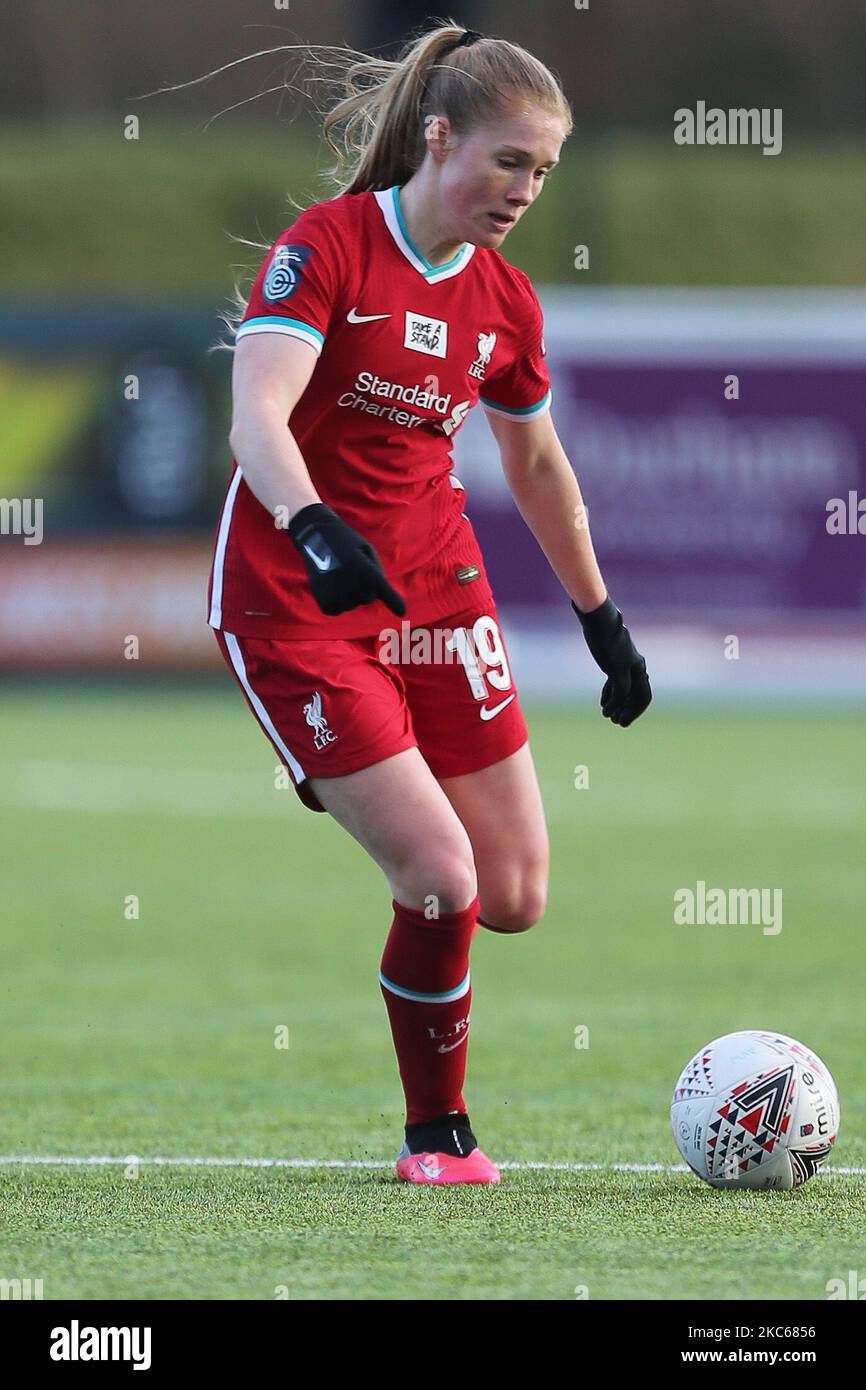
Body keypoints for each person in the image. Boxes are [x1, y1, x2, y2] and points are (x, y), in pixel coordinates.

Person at [207, 22, 651, 1185]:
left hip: (437, 600)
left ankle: (372, 765)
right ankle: (435, 1132)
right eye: (509, 161)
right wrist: (312, 527)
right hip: (296, 604)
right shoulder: (330, 247)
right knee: (442, 877)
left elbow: (538, 466)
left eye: (544, 171)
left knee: (510, 896)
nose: (525, 190)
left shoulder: (503, 300)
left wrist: (600, 621)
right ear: (439, 136)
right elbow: (258, 413)